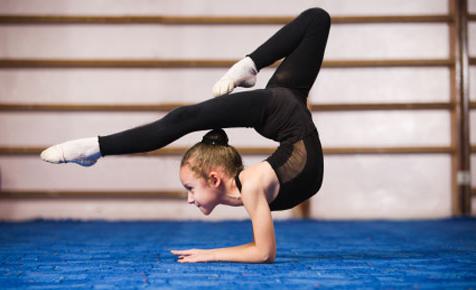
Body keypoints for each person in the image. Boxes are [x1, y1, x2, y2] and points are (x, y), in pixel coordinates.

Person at [40, 7, 331, 263]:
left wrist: (211, 254)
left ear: (214, 178)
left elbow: (264, 253)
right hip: (289, 119)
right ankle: (249, 66)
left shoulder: (253, 184)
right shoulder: (252, 186)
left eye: (190, 188)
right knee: (317, 19)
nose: (189, 199)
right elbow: (262, 250)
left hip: (284, 115)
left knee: (182, 118)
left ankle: (95, 148)